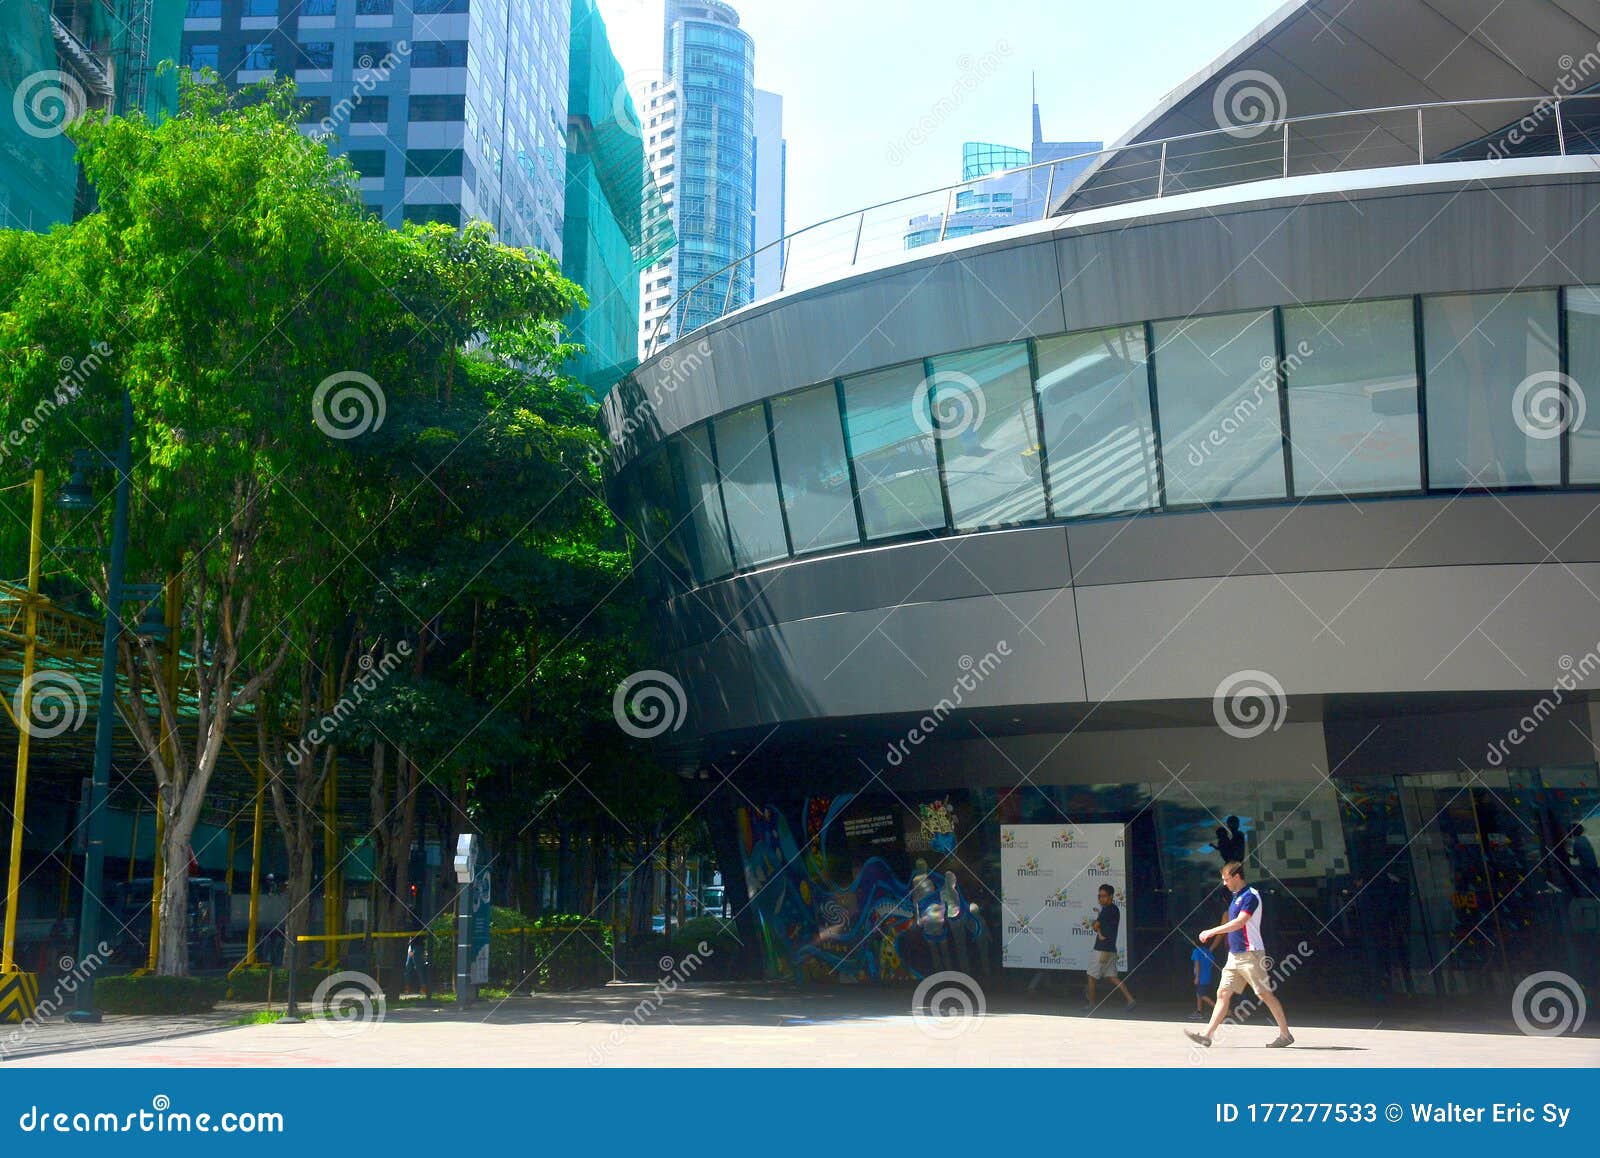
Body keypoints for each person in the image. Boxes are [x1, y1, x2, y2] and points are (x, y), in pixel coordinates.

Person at [1185, 861, 1294, 1048]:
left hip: (1251, 954)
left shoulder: (1251, 896)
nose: (1224, 883)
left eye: (1226, 879)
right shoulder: (1235, 898)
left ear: (1237, 876)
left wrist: (1211, 931)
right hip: (1234, 956)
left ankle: (1285, 1035)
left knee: (1264, 994)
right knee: (1222, 993)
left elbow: (1239, 923)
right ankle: (1206, 1035)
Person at [1084, 884, 1136, 1012]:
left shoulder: (1107, 910)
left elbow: (1095, 925)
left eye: (1104, 896)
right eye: (1099, 896)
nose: (1101, 898)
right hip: (1111, 948)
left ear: (1111, 896)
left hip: (1101, 949)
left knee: (1091, 976)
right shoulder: (1115, 909)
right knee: (1112, 977)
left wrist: (1096, 926)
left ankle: (1091, 1004)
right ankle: (1130, 1000)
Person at [1188, 939, 1218, 1021]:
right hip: (1208, 976)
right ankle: (1199, 1012)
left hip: (1201, 977)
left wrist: (1197, 977)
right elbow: (1212, 963)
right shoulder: (1208, 951)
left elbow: (1197, 964)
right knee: (1199, 994)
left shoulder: (1196, 951)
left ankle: (1220, 1010)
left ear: (1194, 942)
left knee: (1202, 995)